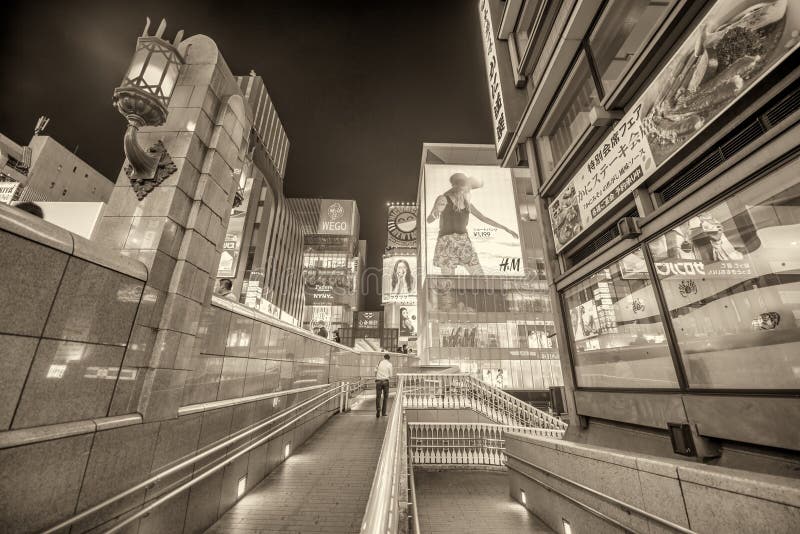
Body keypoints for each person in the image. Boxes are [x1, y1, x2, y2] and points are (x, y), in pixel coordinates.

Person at [427, 172, 518, 275]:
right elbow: (429, 220)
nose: (469, 190)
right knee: (449, 281)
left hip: (464, 241)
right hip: (446, 241)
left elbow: (484, 218)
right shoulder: (443, 199)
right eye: (468, 187)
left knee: (479, 275)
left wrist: (505, 228)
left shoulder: (467, 204)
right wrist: (434, 214)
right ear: (460, 186)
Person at [375, 353, 392, 418]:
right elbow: (390, 375)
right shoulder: (389, 364)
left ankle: (378, 410)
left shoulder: (379, 363)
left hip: (378, 381)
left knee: (378, 397)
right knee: (385, 398)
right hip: (385, 381)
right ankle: (383, 412)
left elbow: (375, 370)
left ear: (384, 357)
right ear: (389, 358)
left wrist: (377, 376)